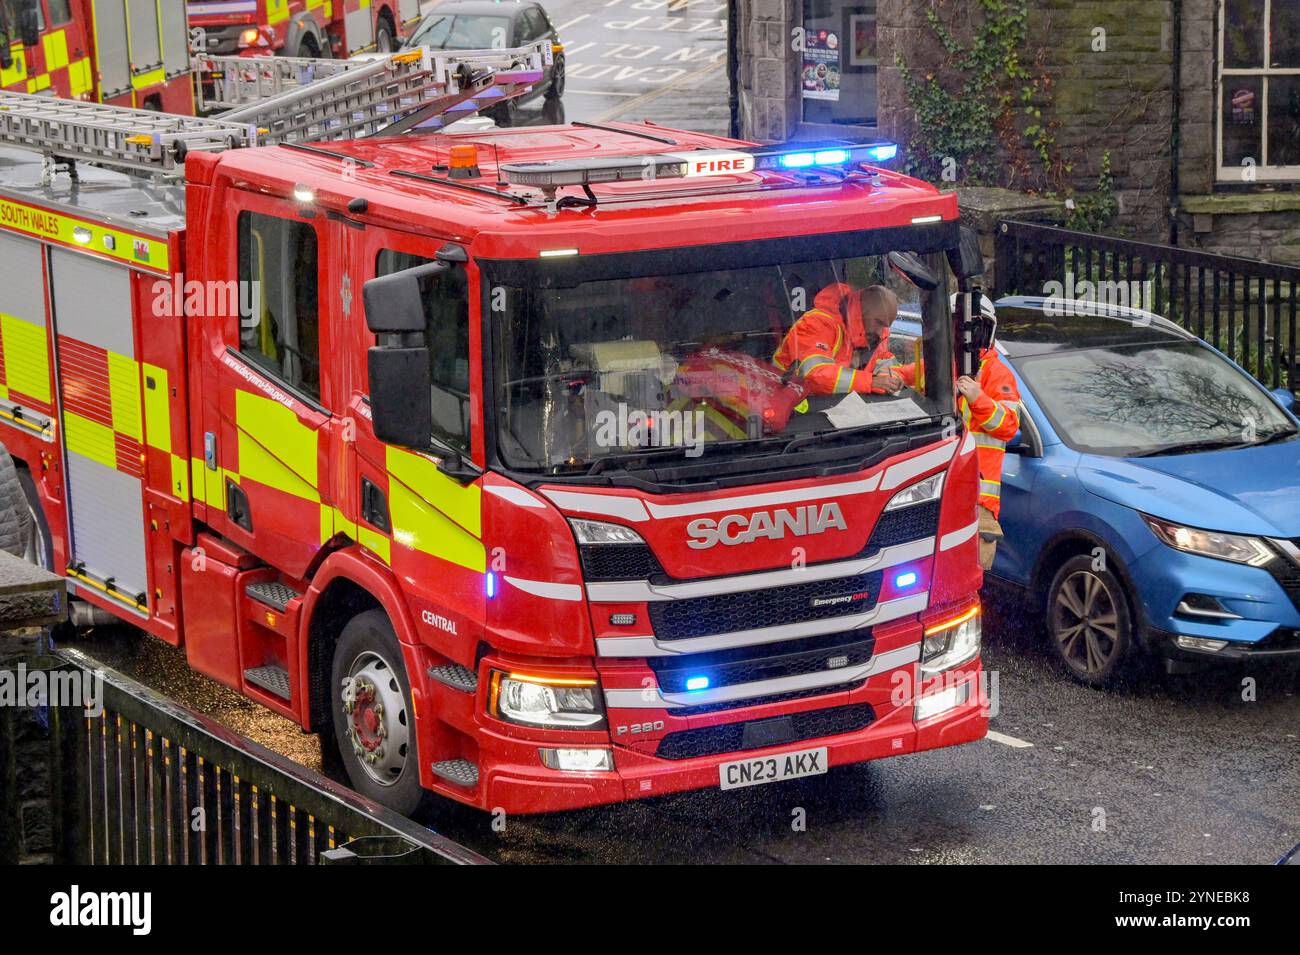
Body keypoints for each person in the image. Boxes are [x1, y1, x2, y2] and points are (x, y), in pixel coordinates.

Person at [951, 294, 1020, 570]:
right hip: (939, 493)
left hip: (978, 502)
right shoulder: (940, 365)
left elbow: (1009, 426)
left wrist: (977, 398)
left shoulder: (997, 373)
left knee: (968, 580)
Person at [772, 283, 906, 395]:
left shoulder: (876, 332)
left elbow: (884, 361)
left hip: (840, 413)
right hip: (791, 409)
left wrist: (892, 378)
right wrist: (870, 382)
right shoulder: (815, 323)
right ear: (861, 309)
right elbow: (814, 375)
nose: (881, 331)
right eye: (879, 322)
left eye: (885, 325)